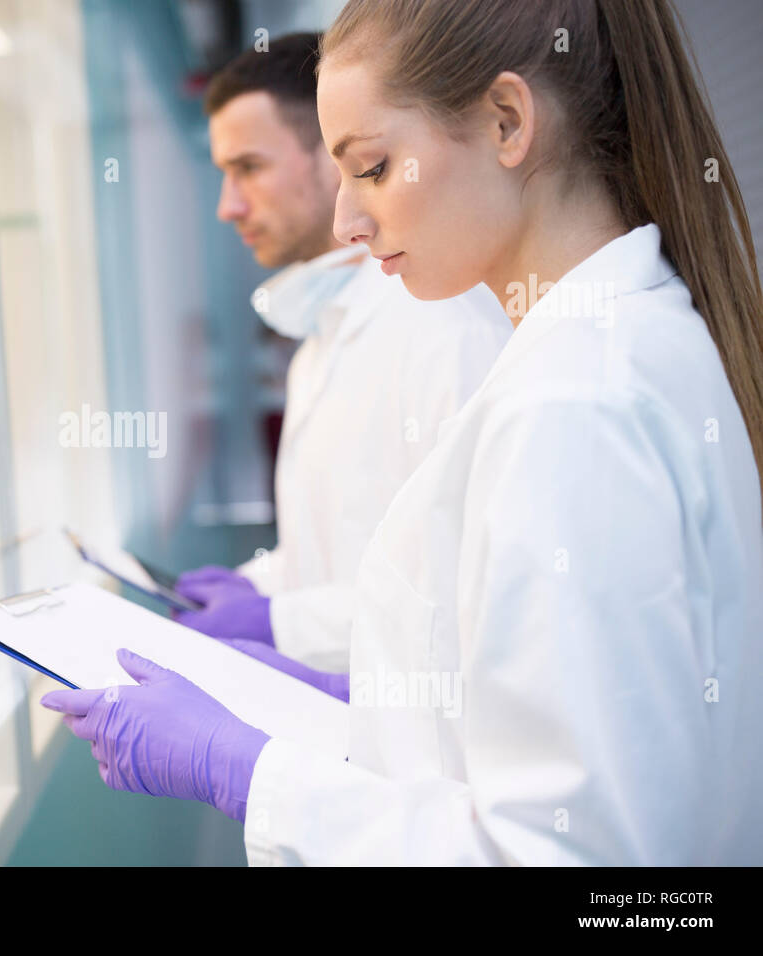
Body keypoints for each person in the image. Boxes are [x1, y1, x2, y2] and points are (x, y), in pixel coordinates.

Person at [45, 0, 763, 865]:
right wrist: (358, 706)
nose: (348, 222)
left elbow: (574, 863)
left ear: (506, 122)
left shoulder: (571, 407)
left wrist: (250, 773)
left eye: (375, 168)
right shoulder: (618, 347)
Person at [175, 33, 509, 673]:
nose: (228, 206)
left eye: (248, 167)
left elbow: (462, 591)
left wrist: (275, 622)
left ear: (333, 156)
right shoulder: (318, 344)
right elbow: (333, 554)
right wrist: (254, 587)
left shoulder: (445, 326)